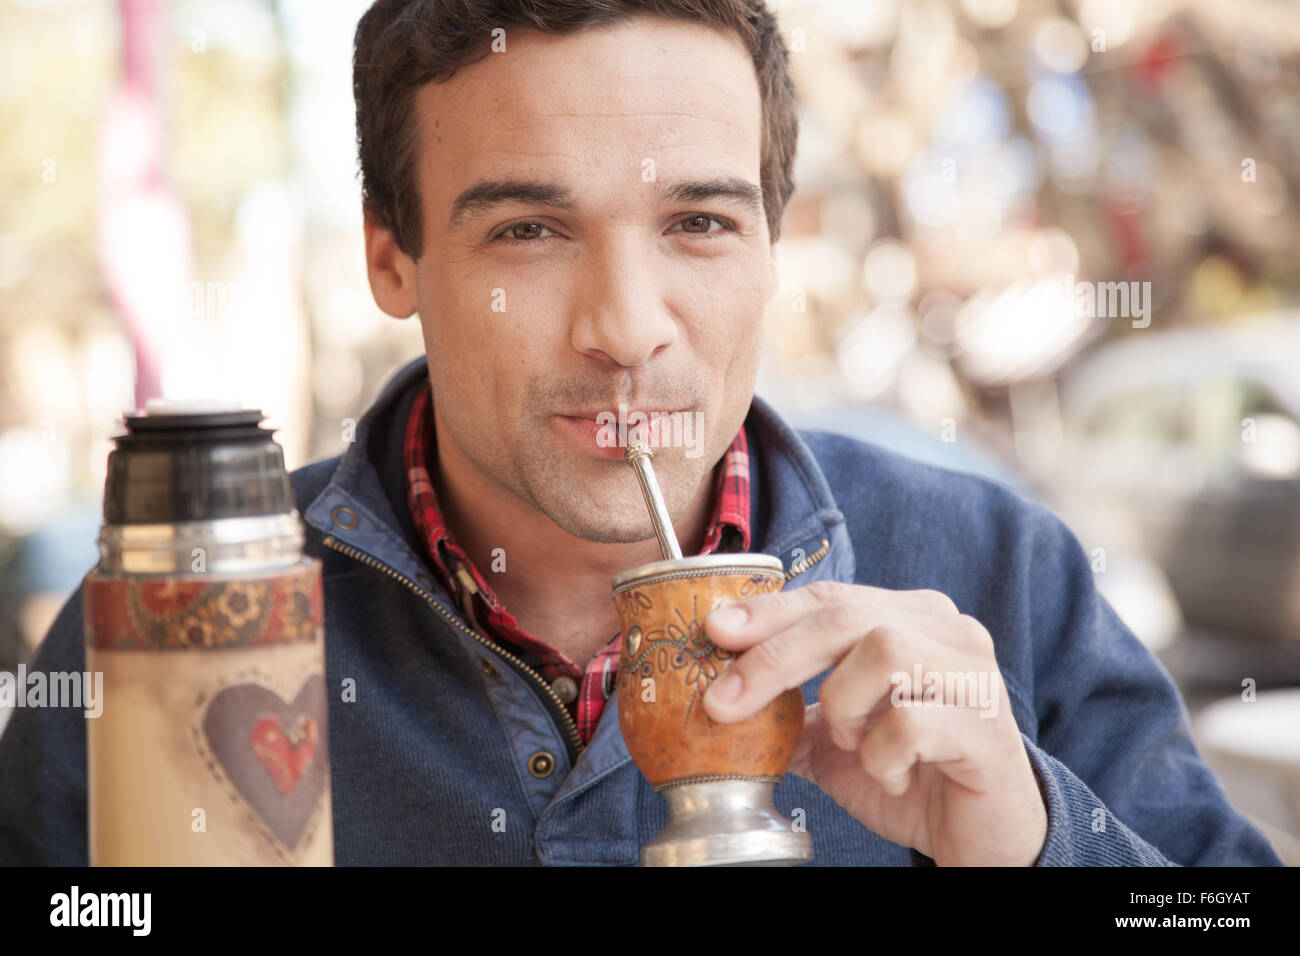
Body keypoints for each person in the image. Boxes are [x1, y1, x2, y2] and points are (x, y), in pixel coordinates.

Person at [0, 0, 1282, 866]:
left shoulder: (995, 570)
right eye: (529, 230)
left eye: (699, 224)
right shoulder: (170, 629)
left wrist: (1031, 839)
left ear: (775, 242)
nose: (626, 327)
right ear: (392, 255)